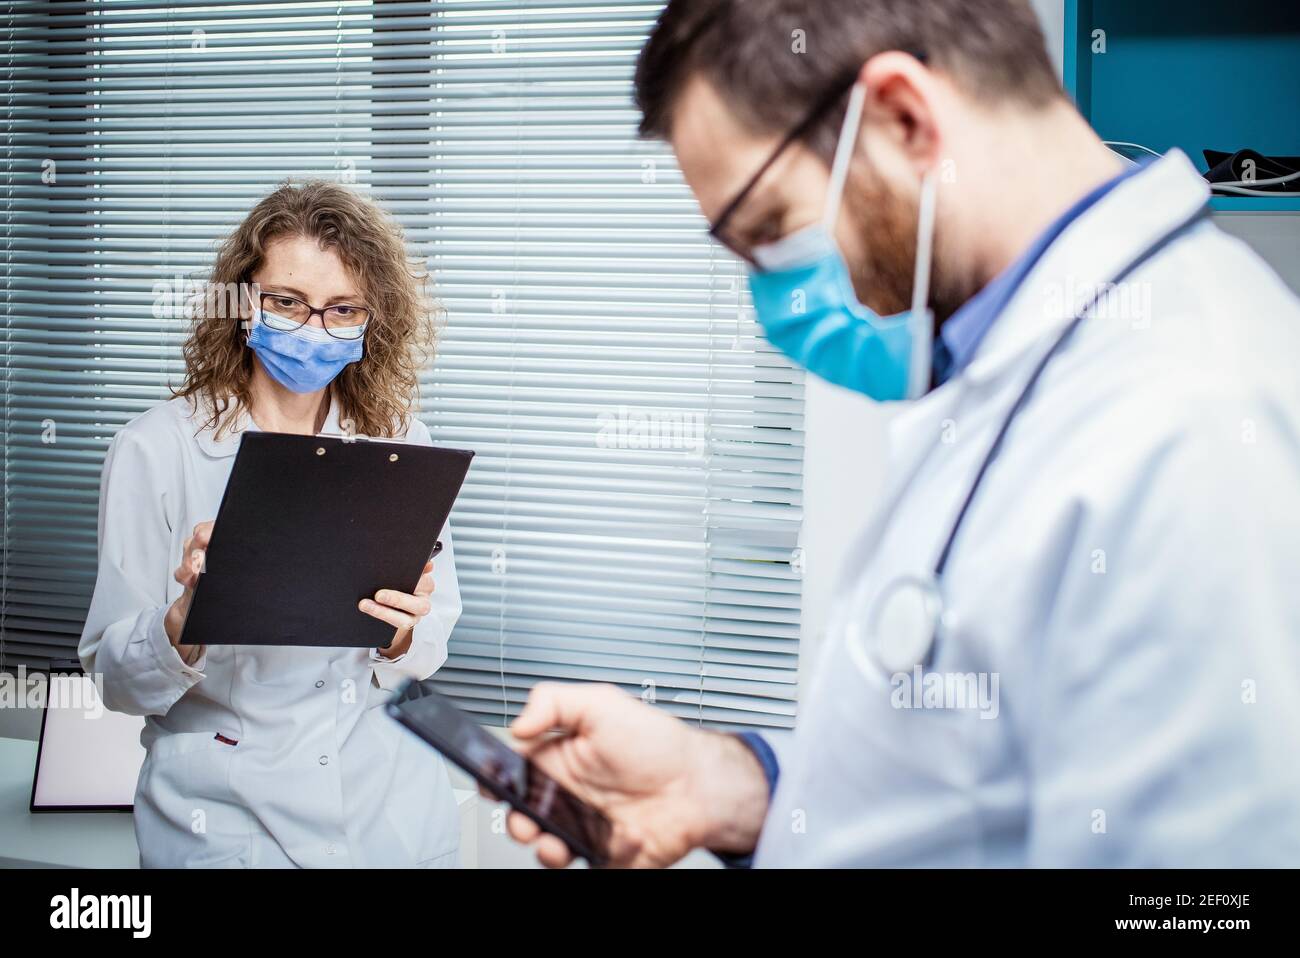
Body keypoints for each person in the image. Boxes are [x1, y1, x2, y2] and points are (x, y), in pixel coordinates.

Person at [500, 0, 1300, 867]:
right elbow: (967, 786)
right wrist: (729, 784)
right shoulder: (1013, 361)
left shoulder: (1193, 418)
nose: (771, 297)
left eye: (769, 228)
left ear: (904, 118)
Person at [80, 180, 464, 868]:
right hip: (226, 822)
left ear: (372, 320)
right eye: (287, 301)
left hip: (388, 815)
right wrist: (184, 621)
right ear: (241, 302)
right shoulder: (154, 448)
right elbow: (114, 678)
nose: (314, 328)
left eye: (343, 309)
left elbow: (431, 640)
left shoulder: (402, 438)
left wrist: (402, 635)